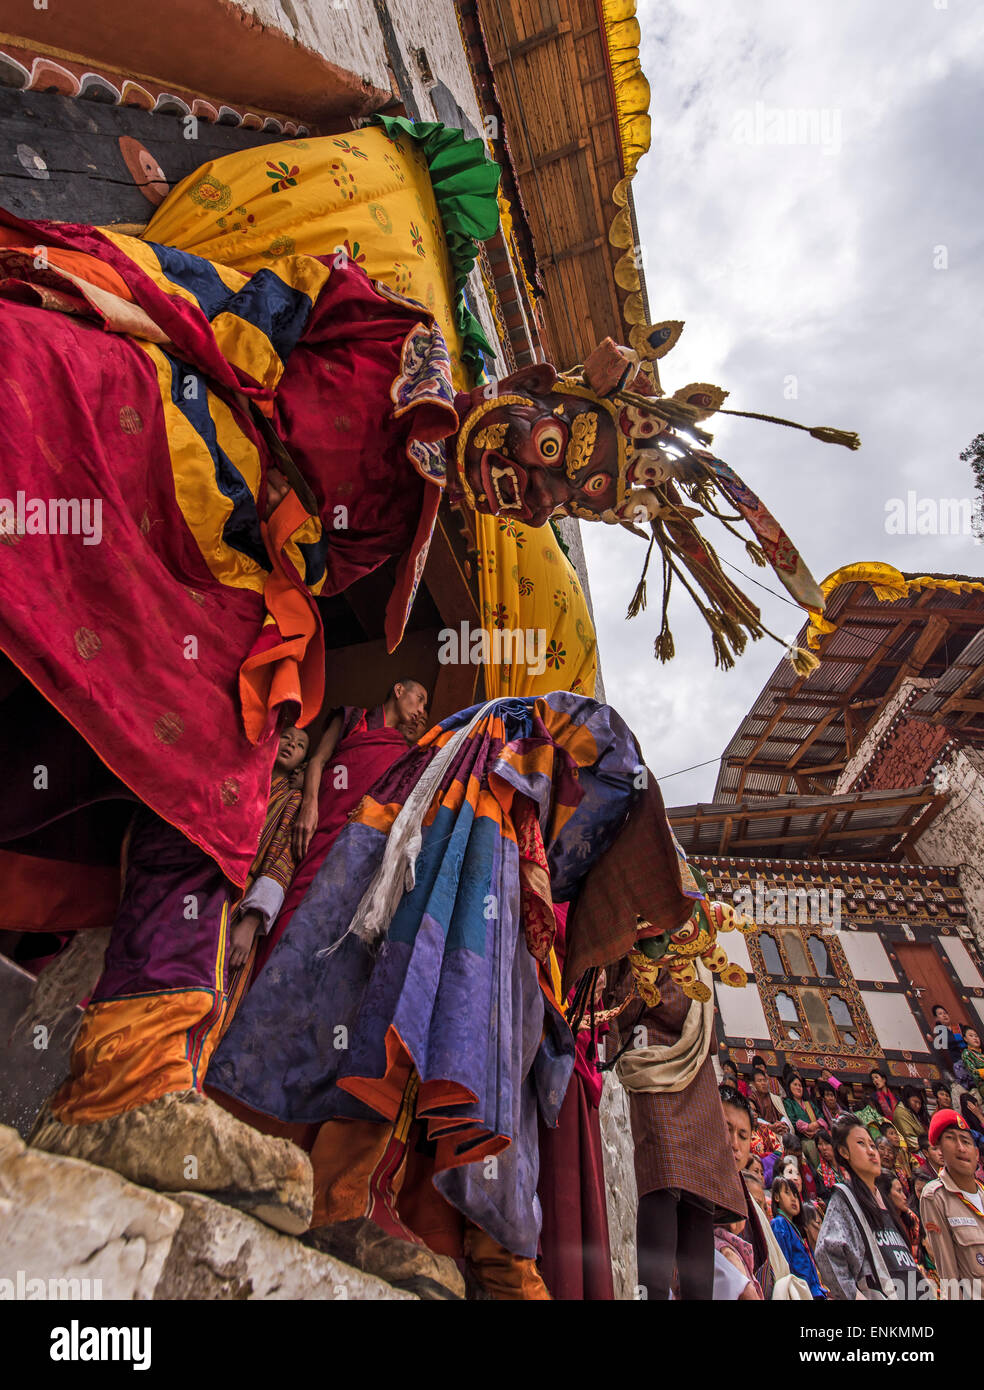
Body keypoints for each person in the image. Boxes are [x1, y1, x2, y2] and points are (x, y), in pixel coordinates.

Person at [251, 680, 429, 976]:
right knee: (291, 910)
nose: (421, 709)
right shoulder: (352, 720)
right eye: (419, 699)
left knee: (327, 930)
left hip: (353, 848)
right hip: (319, 824)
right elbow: (318, 761)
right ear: (398, 690)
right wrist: (309, 805)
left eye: (425, 706)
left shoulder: (403, 751)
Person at [228, 725, 309, 973]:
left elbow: (284, 858)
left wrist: (251, 922)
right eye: (286, 737)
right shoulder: (241, 779)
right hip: (209, 884)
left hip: (243, 898)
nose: (291, 744)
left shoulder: (293, 800)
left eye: (301, 745)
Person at [815, 1114, 920, 1299]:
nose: (872, 1151)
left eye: (872, 1145)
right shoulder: (845, 1198)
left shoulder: (883, 1198)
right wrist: (855, 1296)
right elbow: (827, 1254)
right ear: (844, 1152)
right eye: (861, 1144)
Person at [920, 1107, 984, 1299]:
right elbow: (948, 1275)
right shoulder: (936, 1197)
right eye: (951, 1139)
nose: (961, 1148)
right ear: (939, 1149)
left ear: (976, 1154)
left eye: (965, 1141)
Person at [770, 1176, 826, 1297]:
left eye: (795, 1195)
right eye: (787, 1193)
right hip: (799, 1292)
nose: (793, 1199)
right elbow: (784, 1265)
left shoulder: (795, 1228)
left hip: (812, 1291)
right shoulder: (779, 1224)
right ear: (776, 1197)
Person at [783, 1072, 822, 1171]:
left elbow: (821, 1117)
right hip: (802, 1139)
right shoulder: (788, 1102)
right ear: (789, 1087)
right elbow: (793, 1120)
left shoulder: (808, 1103)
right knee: (810, 1146)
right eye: (795, 1085)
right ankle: (819, 1173)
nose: (798, 1087)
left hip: (817, 1135)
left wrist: (816, 1125)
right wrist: (809, 1127)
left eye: (800, 1085)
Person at [893, 1085, 928, 1151]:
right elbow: (909, 1139)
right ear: (907, 1099)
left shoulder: (910, 1111)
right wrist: (926, 1145)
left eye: (920, 1103)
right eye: (915, 1102)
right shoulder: (901, 1113)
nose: (918, 1106)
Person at [932, 1005, 965, 1072]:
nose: (944, 1015)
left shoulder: (958, 1027)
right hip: (958, 1062)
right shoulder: (940, 1032)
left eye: (945, 1013)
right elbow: (951, 1042)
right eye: (940, 1014)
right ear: (936, 1019)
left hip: (970, 1058)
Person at [814, 1128, 842, 1202]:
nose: (824, 1148)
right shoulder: (820, 1171)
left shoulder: (845, 1160)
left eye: (827, 1143)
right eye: (820, 1144)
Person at [961, 1026, 984, 1100]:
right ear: (965, 1039)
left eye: (976, 1036)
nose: (975, 1038)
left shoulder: (982, 1054)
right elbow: (974, 1072)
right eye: (971, 1036)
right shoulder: (967, 1053)